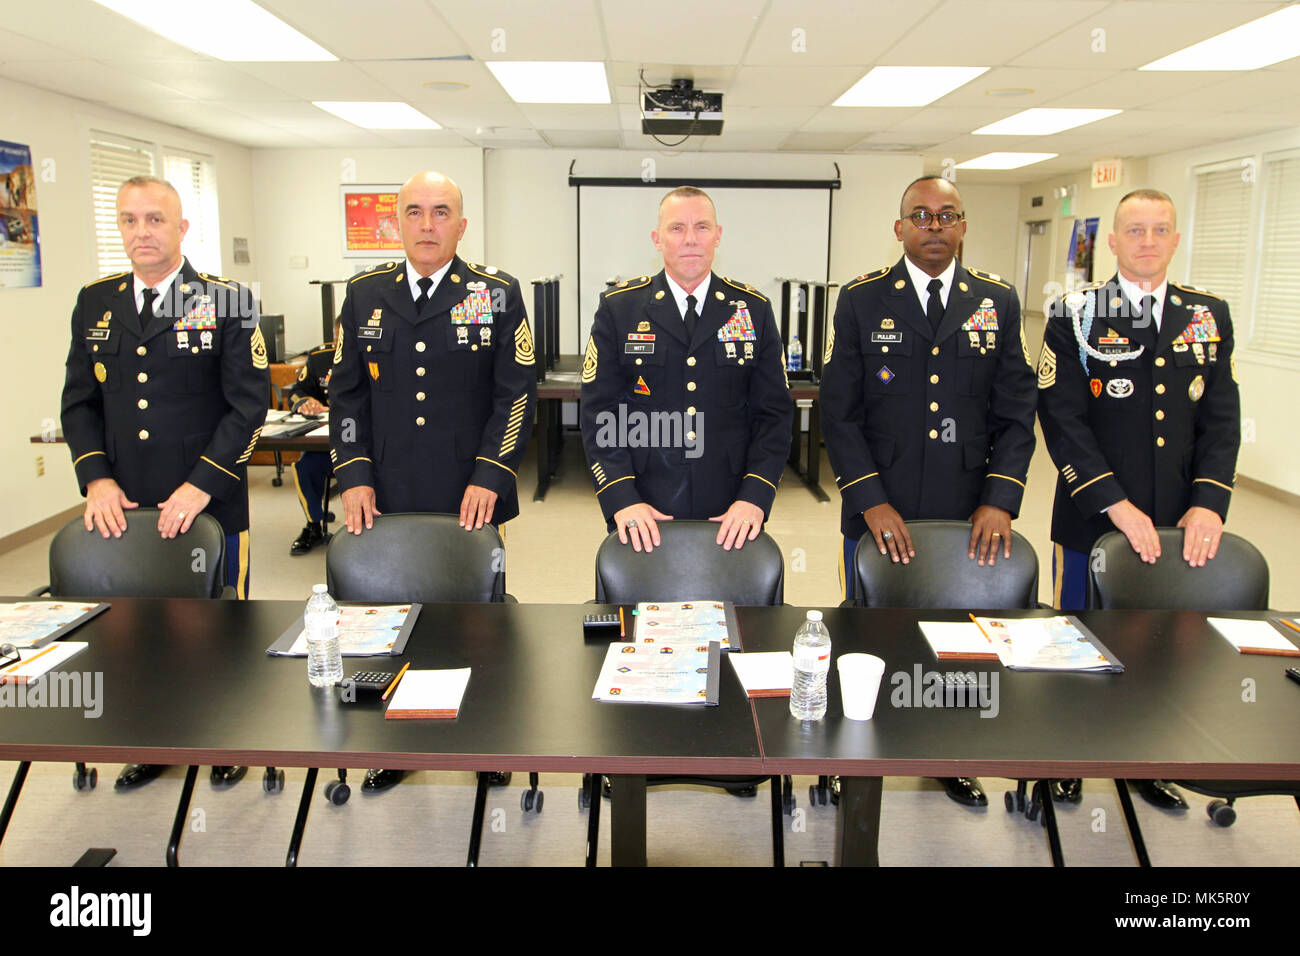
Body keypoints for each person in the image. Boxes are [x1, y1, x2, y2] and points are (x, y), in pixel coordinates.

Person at [820, 176, 1037, 808]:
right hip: (877, 507)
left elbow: (1016, 413)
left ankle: (944, 753)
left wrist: (1000, 499)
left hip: (968, 510)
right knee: (865, 630)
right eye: (920, 215)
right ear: (900, 228)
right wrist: (870, 499)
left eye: (947, 215)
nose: (934, 225)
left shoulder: (997, 300)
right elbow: (839, 413)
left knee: (954, 638)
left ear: (963, 226)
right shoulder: (860, 300)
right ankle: (850, 756)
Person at [328, 170, 537, 792]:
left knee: (475, 617)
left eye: (441, 211)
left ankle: (484, 737)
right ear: (396, 222)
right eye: (414, 211)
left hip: (468, 492)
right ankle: (400, 742)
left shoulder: (496, 293)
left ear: (461, 225)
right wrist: (352, 473)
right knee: (392, 617)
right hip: (385, 490)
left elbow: (514, 394)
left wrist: (491, 474)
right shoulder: (364, 294)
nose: (427, 224)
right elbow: (346, 396)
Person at [61, 175, 268, 790]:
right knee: (139, 627)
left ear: (182, 228)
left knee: (216, 623)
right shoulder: (96, 302)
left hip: (210, 501)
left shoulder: (228, 300)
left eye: (155, 219)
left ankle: (227, 734)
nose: (141, 232)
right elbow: (79, 403)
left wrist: (202, 484)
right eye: (129, 220)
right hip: (126, 503)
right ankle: (154, 738)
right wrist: (95, 479)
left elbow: (248, 406)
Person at [1037, 187, 1240, 809]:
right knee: (1080, 640)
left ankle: (1146, 759)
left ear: (1175, 238)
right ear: (1113, 241)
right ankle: (1067, 758)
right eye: (1135, 229)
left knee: (1162, 647)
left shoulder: (1206, 315)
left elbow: (1221, 420)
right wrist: (1115, 505)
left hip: (1180, 523)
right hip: (1092, 519)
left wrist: (1208, 502)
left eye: (1159, 229)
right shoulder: (1075, 313)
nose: (1147, 241)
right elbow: (1062, 419)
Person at [579, 186, 793, 553]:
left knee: (733, 592)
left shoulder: (752, 309)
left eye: (702, 227)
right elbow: (600, 413)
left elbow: (774, 415)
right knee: (640, 593)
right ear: (657, 239)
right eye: (677, 228)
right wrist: (621, 497)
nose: (690, 239)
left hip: (731, 509)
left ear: (718, 235)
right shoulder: (620, 308)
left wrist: (755, 496)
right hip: (644, 506)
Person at [284, 330, 336, 555]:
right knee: (305, 468)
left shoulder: (377, 353)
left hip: (367, 442)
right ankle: (314, 525)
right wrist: (305, 402)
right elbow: (296, 392)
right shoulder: (319, 357)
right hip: (327, 442)